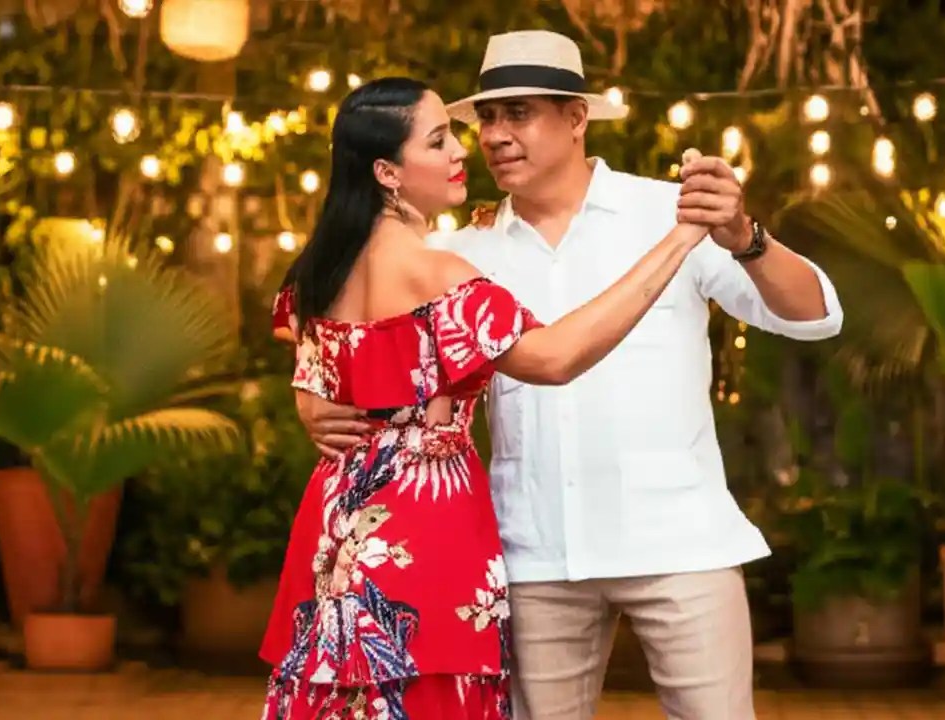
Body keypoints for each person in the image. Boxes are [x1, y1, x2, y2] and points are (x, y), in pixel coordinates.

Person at [292, 30, 845, 720]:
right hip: (531, 555)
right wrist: (316, 406)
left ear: (577, 117)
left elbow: (816, 315)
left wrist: (747, 239)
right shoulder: (459, 250)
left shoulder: (671, 211)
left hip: (677, 541)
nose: (493, 136)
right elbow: (361, 350)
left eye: (517, 113)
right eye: (485, 119)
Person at [258, 76, 713, 719]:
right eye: (439, 140)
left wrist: (310, 398)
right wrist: (678, 241)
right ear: (388, 172)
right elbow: (554, 358)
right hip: (424, 524)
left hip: (338, 517)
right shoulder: (436, 274)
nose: (461, 152)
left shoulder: (318, 270)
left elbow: (302, 344)